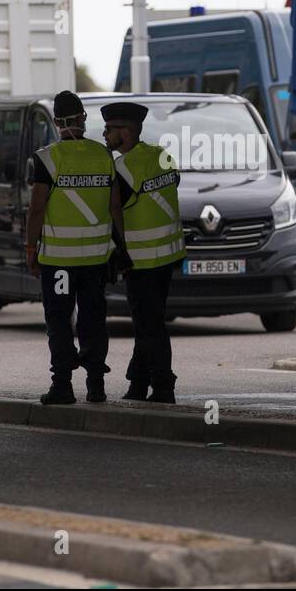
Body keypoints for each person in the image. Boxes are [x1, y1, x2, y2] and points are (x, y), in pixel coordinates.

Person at [26, 91, 129, 404]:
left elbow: (37, 209)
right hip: (95, 261)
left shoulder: (46, 159)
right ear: (84, 118)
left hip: (58, 263)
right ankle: (95, 385)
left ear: (57, 122)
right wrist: (122, 248)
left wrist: (31, 250)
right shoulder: (104, 156)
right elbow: (115, 208)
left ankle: (63, 386)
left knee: (59, 321)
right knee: (93, 320)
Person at [102, 101, 185, 403]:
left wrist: (116, 251)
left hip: (142, 257)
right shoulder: (161, 155)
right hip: (168, 254)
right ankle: (138, 383)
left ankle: (164, 386)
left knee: (149, 325)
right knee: (149, 321)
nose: (105, 134)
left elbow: (111, 211)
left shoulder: (121, 169)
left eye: (110, 129)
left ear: (126, 131)